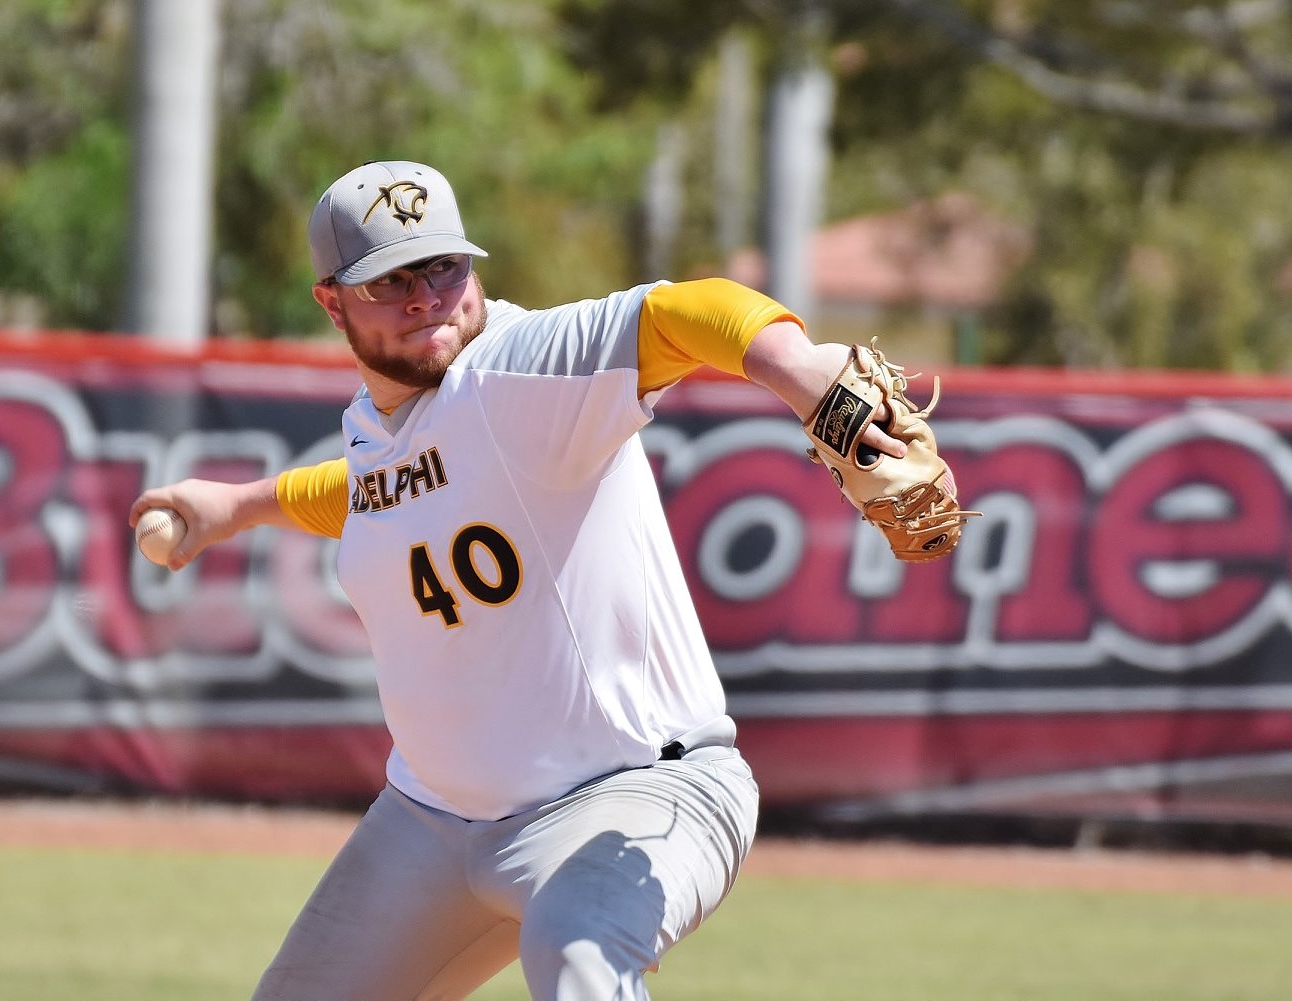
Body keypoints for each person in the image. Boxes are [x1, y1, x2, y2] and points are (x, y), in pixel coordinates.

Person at [131, 160, 911, 1001]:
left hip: (631, 789)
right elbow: (370, 495)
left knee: (578, 959)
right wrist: (238, 506)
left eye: (441, 265)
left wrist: (806, 380)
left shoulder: (522, 363)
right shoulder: (376, 426)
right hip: (430, 824)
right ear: (332, 301)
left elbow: (688, 311)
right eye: (389, 280)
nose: (425, 296)